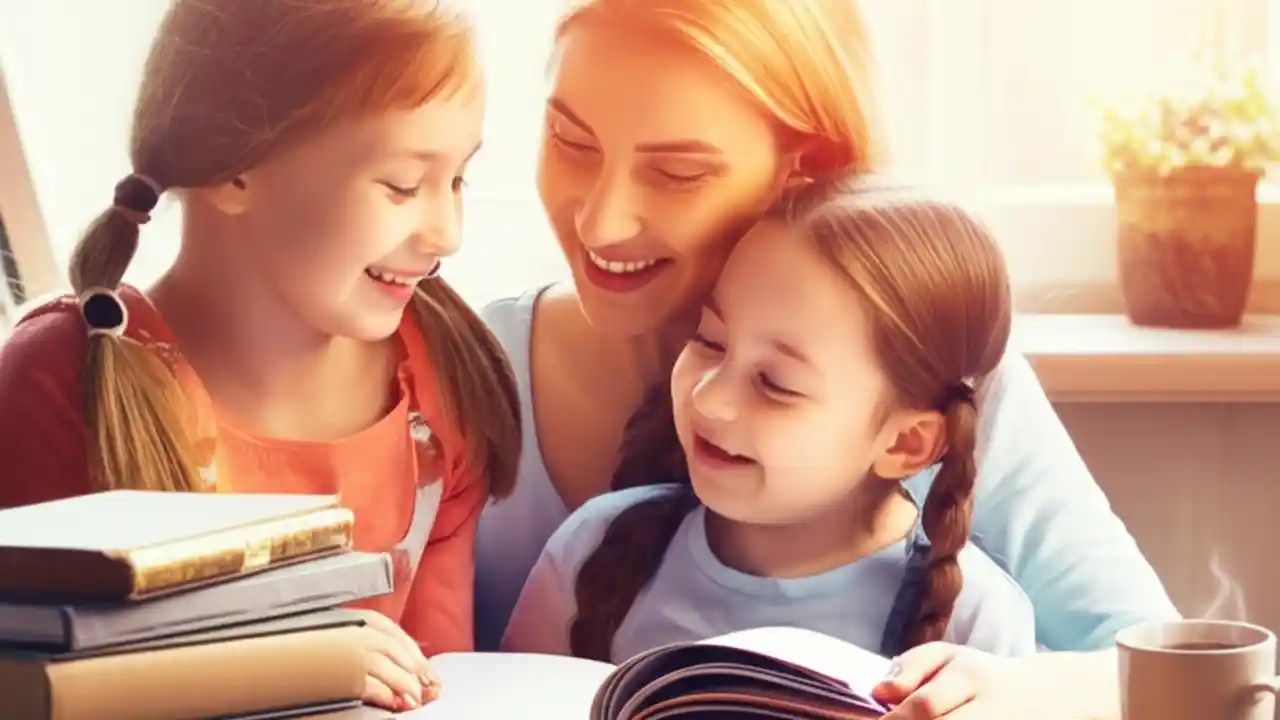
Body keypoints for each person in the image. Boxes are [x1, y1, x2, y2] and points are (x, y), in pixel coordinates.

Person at [475, 0, 1177, 716]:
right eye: (570, 140)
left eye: (678, 172)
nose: (600, 221)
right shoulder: (465, 370)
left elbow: (1169, 673)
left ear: (804, 172)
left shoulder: (934, 376)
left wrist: (1006, 689)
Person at [0, 1, 519, 712]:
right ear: (233, 168)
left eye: (456, 180)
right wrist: (287, 661)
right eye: (402, 185)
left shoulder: (443, 378)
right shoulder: (64, 384)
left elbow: (443, 687)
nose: (447, 233)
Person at [502, 178, 1037, 666]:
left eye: (776, 383)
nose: (709, 399)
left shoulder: (974, 621)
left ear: (906, 443)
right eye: (709, 340)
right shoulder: (591, 551)